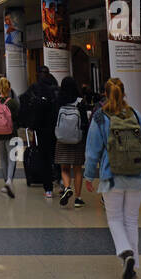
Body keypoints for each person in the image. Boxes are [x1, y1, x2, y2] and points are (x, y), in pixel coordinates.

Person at [84, 77, 141, 279]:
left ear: (105, 94)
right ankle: (134, 264)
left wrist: (88, 175)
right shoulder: (135, 115)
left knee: (114, 219)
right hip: (138, 175)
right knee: (131, 219)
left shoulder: (100, 117)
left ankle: (125, 252)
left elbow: (92, 151)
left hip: (111, 175)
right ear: (124, 93)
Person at [21, 66, 60, 200]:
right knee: (56, 155)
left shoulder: (35, 88)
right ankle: (60, 180)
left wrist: (30, 123)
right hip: (56, 128)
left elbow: (26, 102)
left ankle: (48, 188)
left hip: (41, 129)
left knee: (44, 157)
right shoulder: (56, 89)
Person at [54, 75, 88, 208]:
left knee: (64, 168)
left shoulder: (59, 101)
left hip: (62, 139)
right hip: (77, 139)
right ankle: (78, 198)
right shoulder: (80, 102)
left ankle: (67, 187)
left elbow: (54, 119)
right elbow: (84, 121)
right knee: (78, 168)